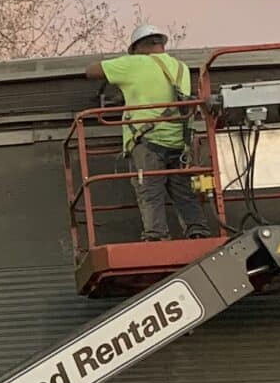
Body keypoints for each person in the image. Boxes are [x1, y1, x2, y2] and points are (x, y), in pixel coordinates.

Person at [87, 26, 211, 243]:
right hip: (179, 143)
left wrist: (124, 66)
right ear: (161, 44)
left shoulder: (134, 63)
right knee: (183, 191)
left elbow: (91, 71)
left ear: (137, 48)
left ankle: (156, 236)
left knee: (150, 190)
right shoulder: (180, 67)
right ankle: (197, 231)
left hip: (149, 141)